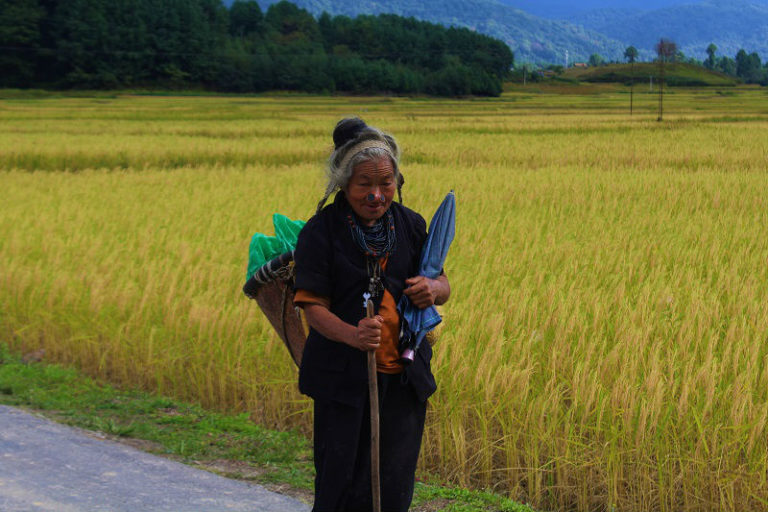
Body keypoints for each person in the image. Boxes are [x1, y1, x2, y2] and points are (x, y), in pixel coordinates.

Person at [293, 117, 451, 512]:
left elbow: (442, 284)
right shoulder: (321, 232)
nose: (377, 194)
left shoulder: (411, 225)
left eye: (387, 183)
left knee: (394, 484)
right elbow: (312, 307)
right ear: (344, 183)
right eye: (365, 184)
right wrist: (352, 335)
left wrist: (432, 290)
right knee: (340, 483)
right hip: (343, 380)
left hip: (402, 376)